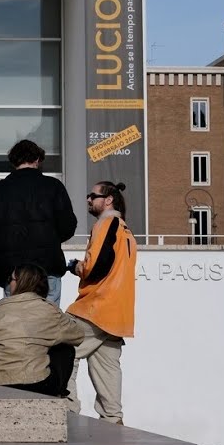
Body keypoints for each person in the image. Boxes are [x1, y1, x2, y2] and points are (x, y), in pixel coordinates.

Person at [65, 181, 137, 424]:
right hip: (118, 315)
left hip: (95, 308)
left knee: (63, 350)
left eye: (92, 196)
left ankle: (67, 412)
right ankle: (113, 420)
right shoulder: (126, 230)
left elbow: (96, 266)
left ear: (108, 200)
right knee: (106, 368)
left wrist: (76, 267)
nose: (88, 199)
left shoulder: (106, 224)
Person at [0, 139, 78, 305]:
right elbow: (67, 226)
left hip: (12, 271)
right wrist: (50, 238)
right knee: (48, 322)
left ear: (13, 161)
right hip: (48, 267)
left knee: (17, 323)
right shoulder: (53, 186)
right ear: (38, 160)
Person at [0, 263, 83, 397]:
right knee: (65, 349)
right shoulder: (49, 310)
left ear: (21, 283)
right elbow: (78, 336)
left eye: (11, 280)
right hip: (36, 383)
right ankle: (57, 395)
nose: (9, 284)